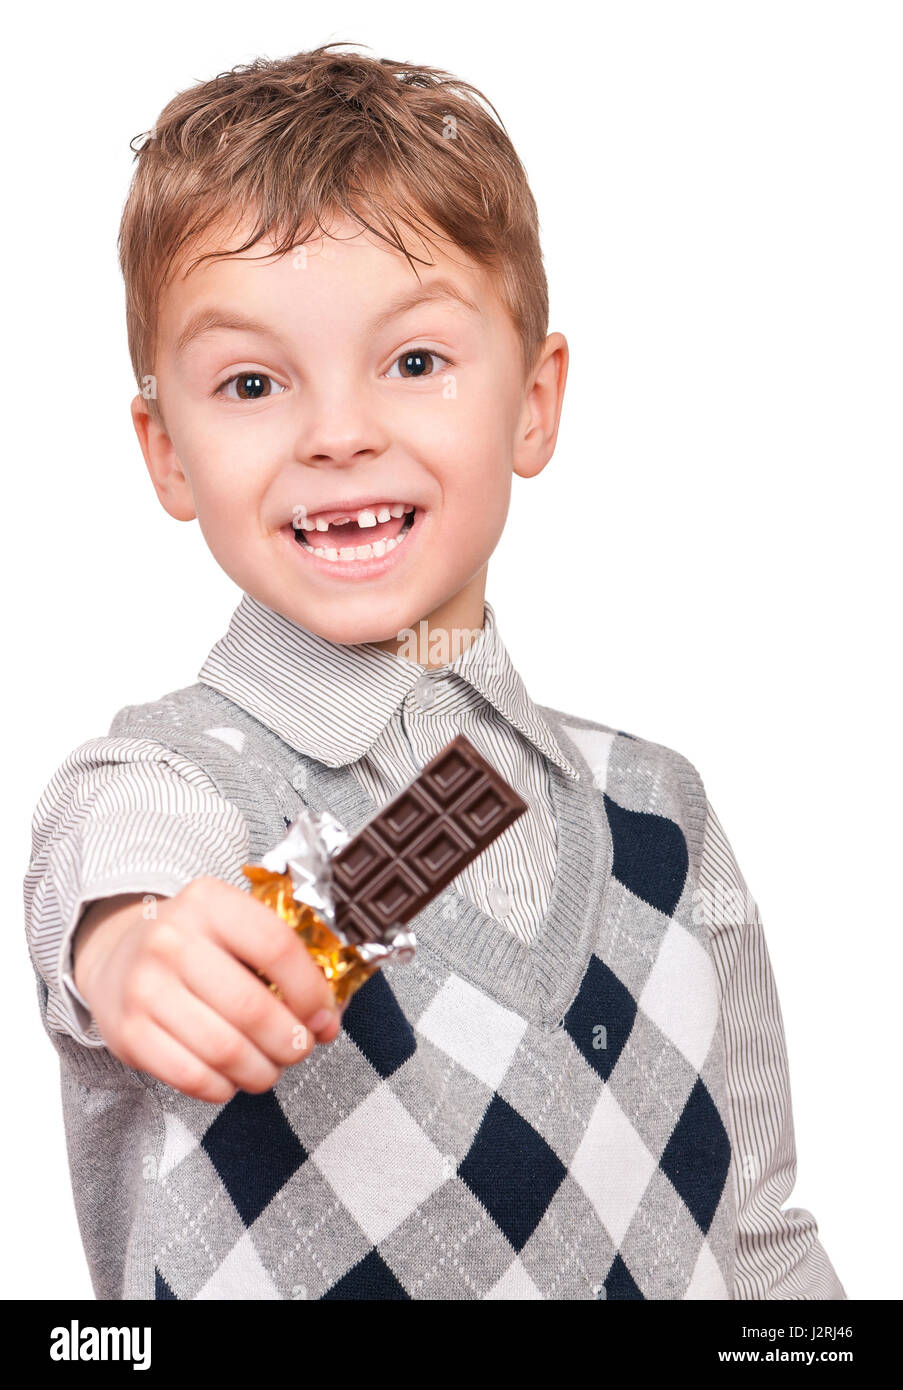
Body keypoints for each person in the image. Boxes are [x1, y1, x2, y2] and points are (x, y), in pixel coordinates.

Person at [23, 43, 845, 1301]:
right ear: (167, 452)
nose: (339, 433)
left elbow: (760, 1238)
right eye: (252, 381)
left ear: (535, 401)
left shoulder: (659, 812)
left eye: (413, 362)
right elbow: (120, 875)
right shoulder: (168, 780)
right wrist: (141, 951)